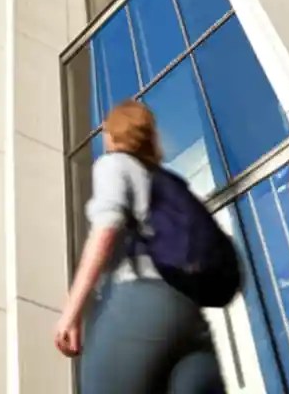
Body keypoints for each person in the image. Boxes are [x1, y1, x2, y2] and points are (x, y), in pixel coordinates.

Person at [54, 100, 225, 394]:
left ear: (113, 133)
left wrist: (72, 311)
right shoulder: (171, 182)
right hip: (188, 315)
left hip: (140, 303)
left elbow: (105, 233)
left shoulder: (114, 164)